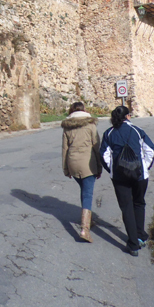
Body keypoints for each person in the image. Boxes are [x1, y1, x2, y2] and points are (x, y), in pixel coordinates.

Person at [99, 105, 154, 257]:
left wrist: (112, 170)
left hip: (119, 177)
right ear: (128, 116)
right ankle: (140, 235)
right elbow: (151, 150)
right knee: (139, 203)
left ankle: (133, 245)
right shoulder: (137, 131)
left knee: (126, 208)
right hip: (140, 175)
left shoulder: (109, 133)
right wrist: (145, 166)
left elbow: (104, 155)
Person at [61, 101, 101, 243]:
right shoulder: (91, 125)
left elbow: (65, 149)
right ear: (84, 110)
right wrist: (100, 166)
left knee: (84, 190)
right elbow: (97, 147)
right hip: (87, 163)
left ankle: (87, 220)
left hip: (73, 162)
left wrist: (66, 168)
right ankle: (85, 229)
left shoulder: (67, 127)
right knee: (88, 193)